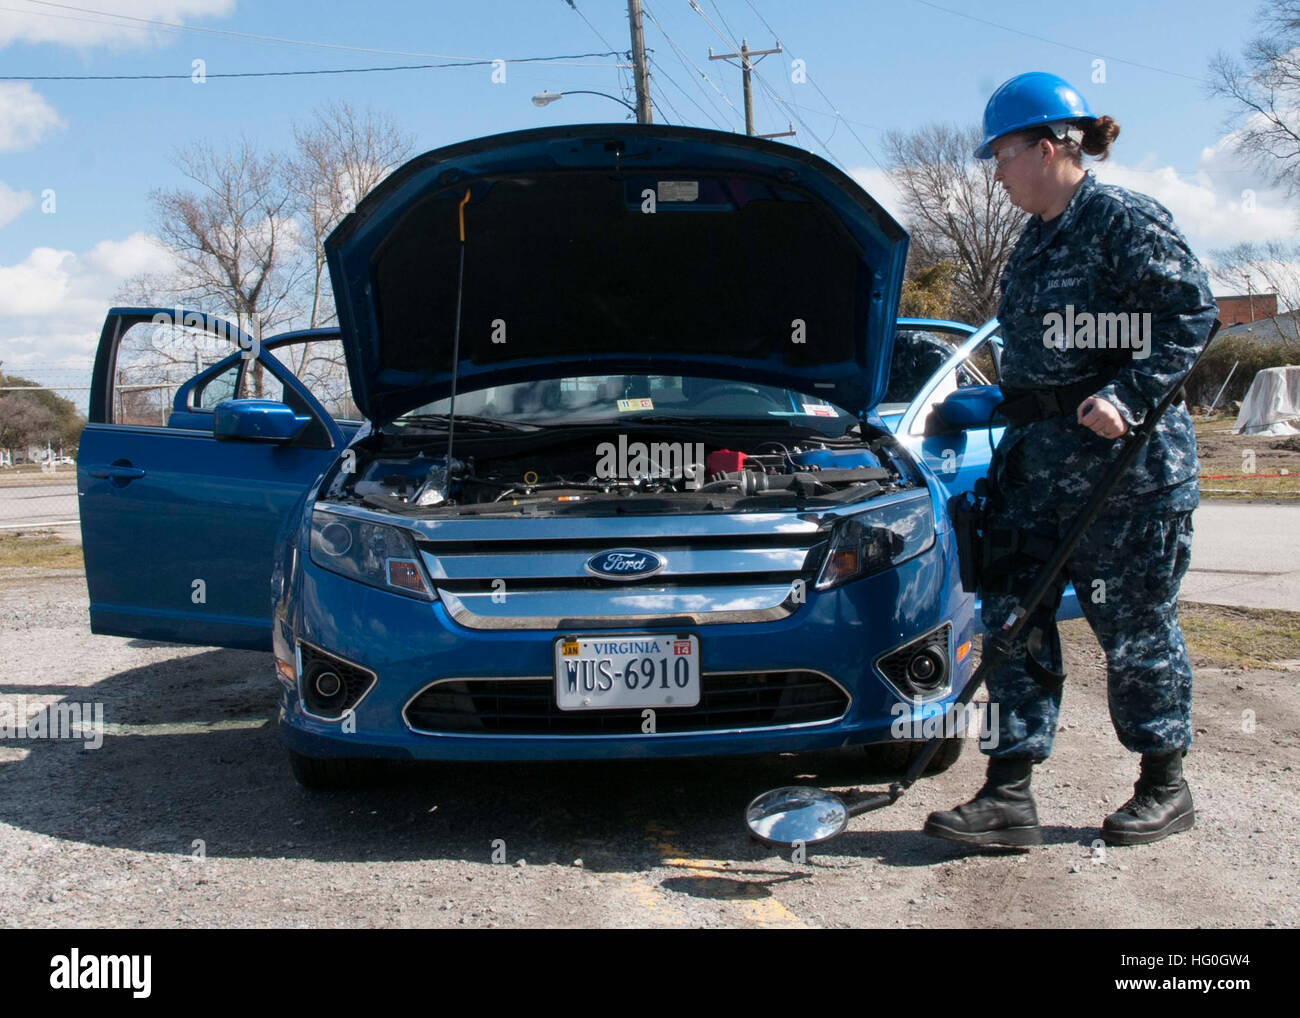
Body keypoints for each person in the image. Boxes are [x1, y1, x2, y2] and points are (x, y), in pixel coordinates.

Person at [924, 71, 1218, 848]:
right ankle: (1007, 794)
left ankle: (1165, 784)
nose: (995, 170)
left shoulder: (1118, 219)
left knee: (1135, 629)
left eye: (1002, 154)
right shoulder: (1032, 241)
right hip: (1036, 476)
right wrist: (999, 404)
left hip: (1128, 479)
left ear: (1050, 147)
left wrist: (1127, 393)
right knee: (1012, 622)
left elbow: (1192, 312)